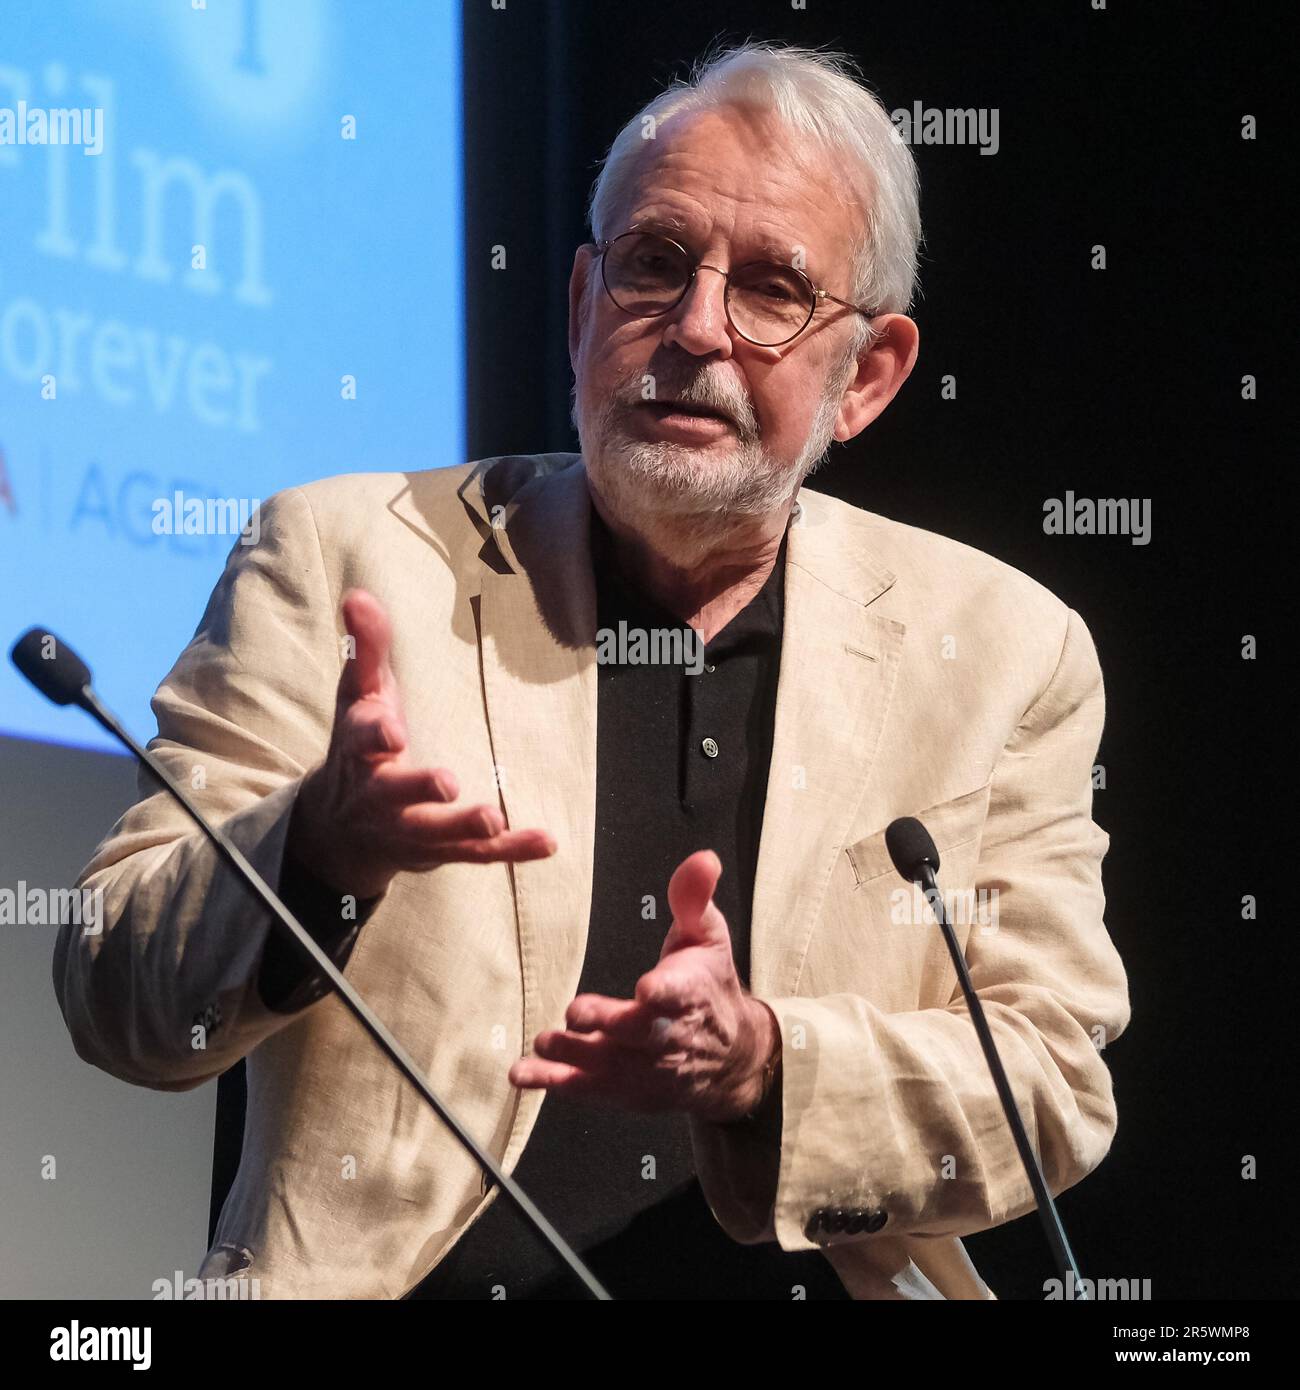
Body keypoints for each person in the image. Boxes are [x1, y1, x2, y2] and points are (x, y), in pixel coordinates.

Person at [54, 42, 1129, 1300]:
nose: (695, 328)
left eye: (775, 288)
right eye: (657, 264)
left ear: (868, 376)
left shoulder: (1001, 648)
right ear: (579, 309)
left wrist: (765, 1064)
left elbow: (1049, 1079)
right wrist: (318, 848)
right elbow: (117, 989)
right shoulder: (344, 556)